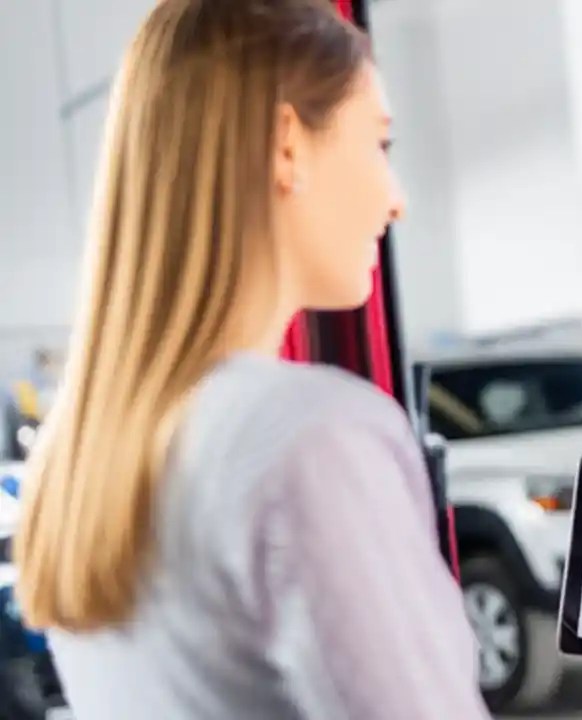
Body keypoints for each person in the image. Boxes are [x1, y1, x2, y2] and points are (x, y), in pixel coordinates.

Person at [11, 1, 490, 718]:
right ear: (286, 143)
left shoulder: (74, 455)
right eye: (378, 145)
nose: (397, 202)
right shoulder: (310, 434)